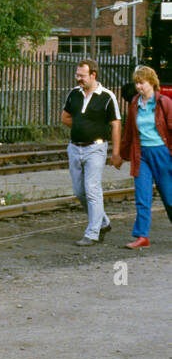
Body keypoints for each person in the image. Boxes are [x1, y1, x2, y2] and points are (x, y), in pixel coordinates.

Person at [60, 59, 121, 246]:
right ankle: (103, 222)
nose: (78, 79)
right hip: (75, 147)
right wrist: (81, 126)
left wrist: (116, 152)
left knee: (92, 189)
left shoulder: (107, 96)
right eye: (77, 75)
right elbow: (65, 117)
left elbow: (116, 125)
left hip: (96, 148)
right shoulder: (74, 94)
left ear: (93, 74)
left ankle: (92, 233)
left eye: (82, 76)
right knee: (80, 191)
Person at [112, 65, 172, 248]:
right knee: (142, 196)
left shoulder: (164, 103)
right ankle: (142, 236)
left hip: (162, 153)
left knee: (169, 197)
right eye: (136, 83)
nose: (138, 86)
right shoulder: (134, 103)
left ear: (152, 83)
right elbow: (129, 132)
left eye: (142, 83)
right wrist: (120, 155)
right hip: (141, 154)